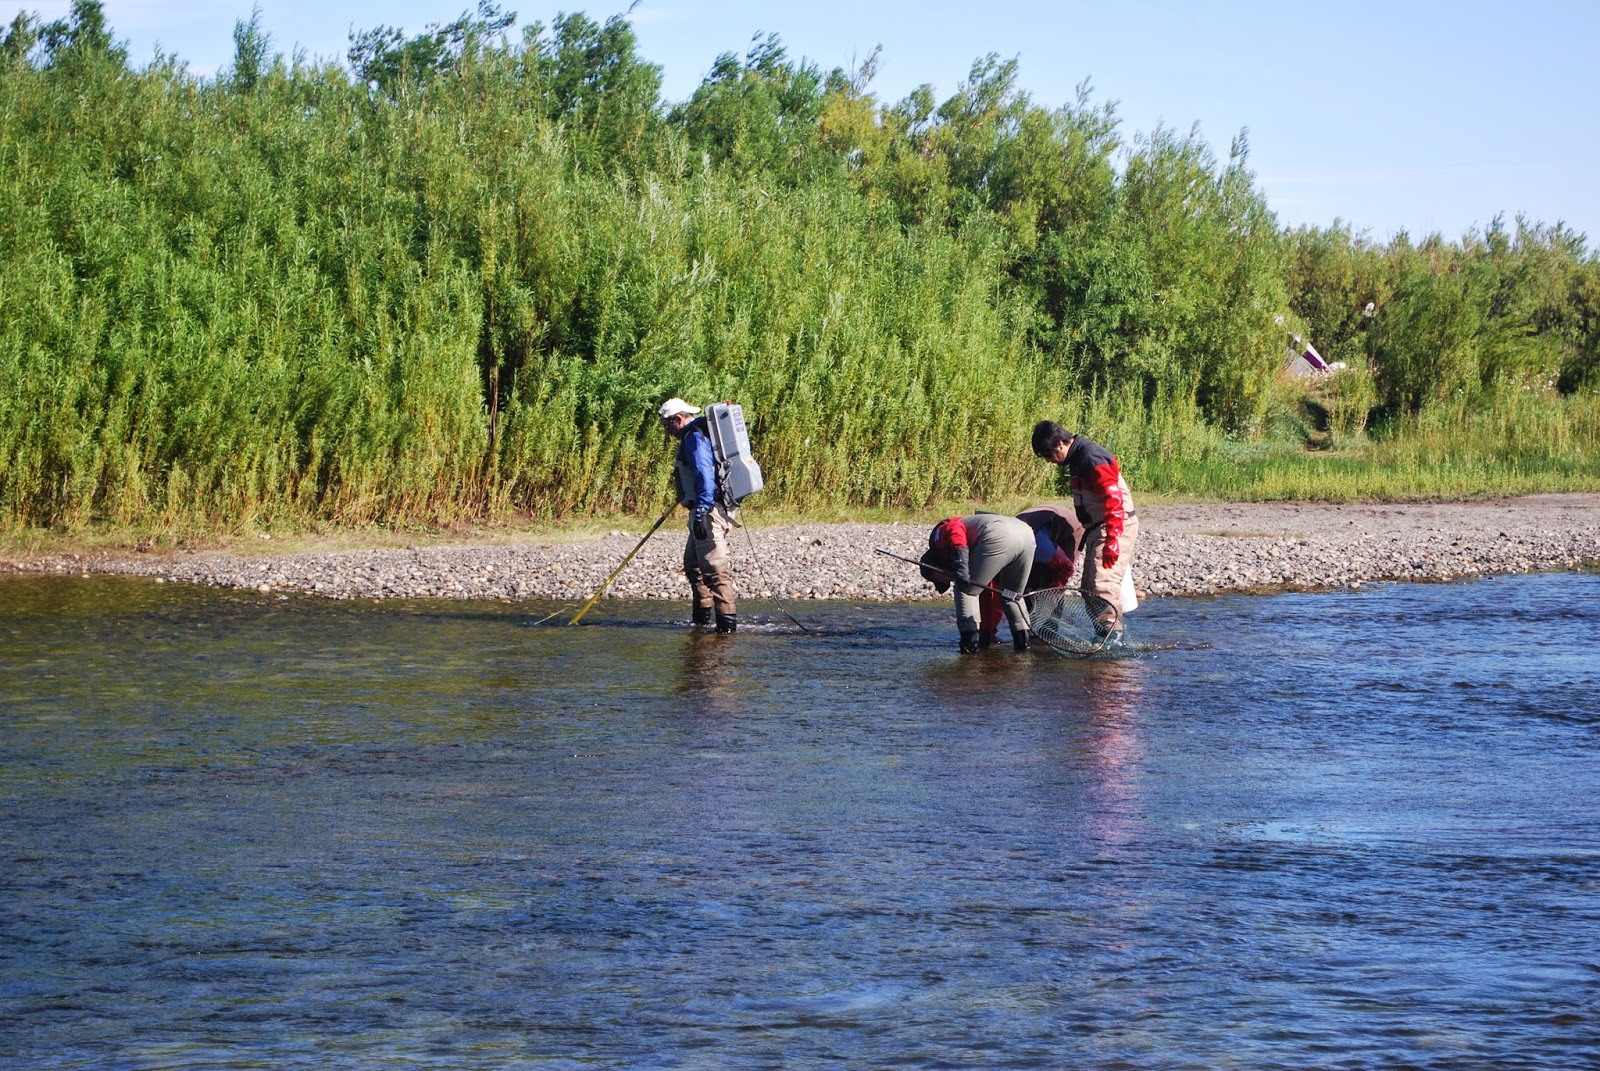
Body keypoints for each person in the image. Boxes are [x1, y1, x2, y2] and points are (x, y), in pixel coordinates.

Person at [1031, 420, 1140, 639]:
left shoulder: (1089, 457)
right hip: (1100, 527)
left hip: (1113, 526)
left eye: (1049, 455)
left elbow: (1113, 499)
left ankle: (1112, 639)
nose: (1050, 461)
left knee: (1102, 585)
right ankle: (1104, 634)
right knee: (1089, 587)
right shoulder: (1078, 457)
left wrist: (1112, 540)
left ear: (1062, 444)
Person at [659, 397, 738, 633]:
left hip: (709, 510)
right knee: (693, 567)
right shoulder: (692, 436)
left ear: (679, 419)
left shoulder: (694, 438)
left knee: (715, 571)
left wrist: (703, 509)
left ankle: (727, 631)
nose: (666, 430)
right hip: (700, 510)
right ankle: (701, 625)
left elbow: (705, 473)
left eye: (667, 425)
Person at [918, 513, 1035, 653]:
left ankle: (969, 649)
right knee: (1011, 596)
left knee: (966, 591)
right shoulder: (972, 527)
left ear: (936, 566)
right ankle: (1023, 649)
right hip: (1026, 533)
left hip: (998, 534)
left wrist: (961, 569)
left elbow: (955, 530)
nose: (948, 580)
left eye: (940, 579)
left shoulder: (938, 536)